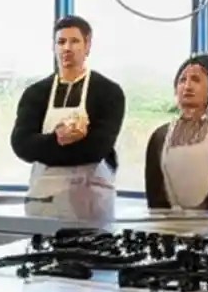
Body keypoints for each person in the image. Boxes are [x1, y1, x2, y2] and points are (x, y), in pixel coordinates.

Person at [11, 15, 125, 220]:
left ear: (88, 45)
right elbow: (21, 145)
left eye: (74, 41)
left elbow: (97, 149)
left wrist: (44, 147)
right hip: (44, 200)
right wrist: (57, 138)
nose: (67, 48)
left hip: (91, 201)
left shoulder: (109, 92)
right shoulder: (35, 93)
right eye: (61, 42)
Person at [144, 54, 208, 212]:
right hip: (168, 226)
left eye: (196, 80)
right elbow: (155, 194)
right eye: (182, 80)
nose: (187, 86)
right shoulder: (159, 136)